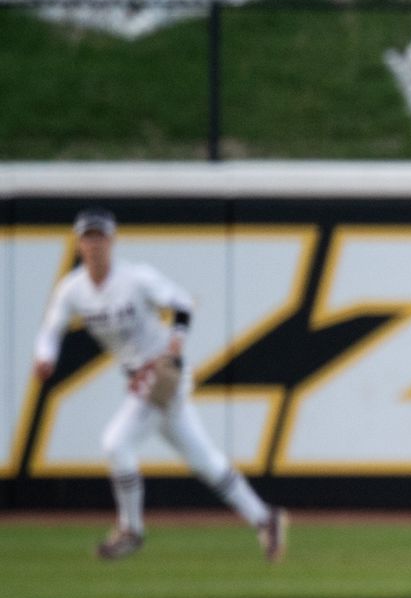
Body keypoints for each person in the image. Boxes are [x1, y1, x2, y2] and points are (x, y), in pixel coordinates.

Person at [32, 208, 288, 562]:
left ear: (112, 241)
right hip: (138, 376)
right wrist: (45, 355)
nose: (94, 244)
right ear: (78, 244)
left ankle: (131, 528)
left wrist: (176, 342)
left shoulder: (135, 278)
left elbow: (182, 304)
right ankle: (264, 517)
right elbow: (51, 328)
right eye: (87, 237)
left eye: (100, 237)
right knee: (206, 462)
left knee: (115, 443)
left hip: (163, 373)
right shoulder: (73, 289)